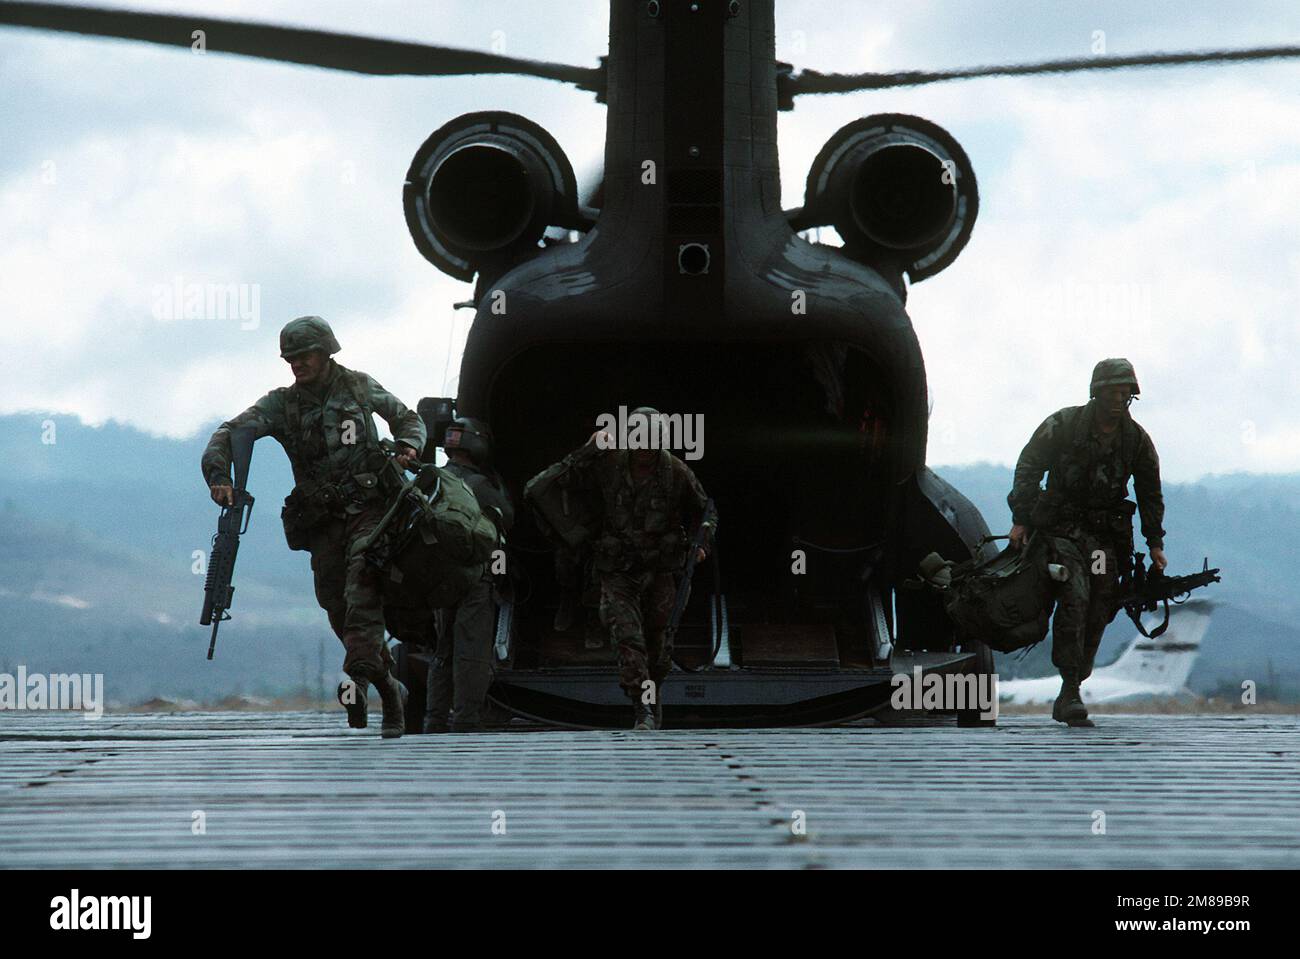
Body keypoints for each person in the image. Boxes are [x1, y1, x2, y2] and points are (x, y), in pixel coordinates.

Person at [201, 316, 425, 738]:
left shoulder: (359, 386)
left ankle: (356, 680)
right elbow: (232, 432)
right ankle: (389, 688)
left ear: (326, 352)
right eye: (290, 359)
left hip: (371, 509)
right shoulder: (282, 404)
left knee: (363, 582)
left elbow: (406, 418)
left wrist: (409, 447)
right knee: (336, 606)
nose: (297, 365)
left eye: (304, 356)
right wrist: (220, 477)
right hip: (322, 520)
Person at [1007, 358, 1166, 728]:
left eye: (1125, 391)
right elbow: (1029, 466)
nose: (1119, 397)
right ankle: (1069, 689)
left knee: (1100, 602)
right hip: (1061, 531)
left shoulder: (1136, 440)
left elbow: (1149, 491)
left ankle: (1074, 684)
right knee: (1075, 595)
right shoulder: (1063, 425)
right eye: (1112, 390)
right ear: (1097, 392)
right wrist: (1021, 518)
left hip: (1102, 541)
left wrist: (1154, 541)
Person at [536, 407, 714, 730]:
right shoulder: (610, 463)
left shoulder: (675, 471)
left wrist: (701, 543)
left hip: (660, 568)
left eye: (652, 443)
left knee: (660, 643)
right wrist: (588, 449)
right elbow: (559, 481)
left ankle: (652, 693)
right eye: (640, 442)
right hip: (618, 570)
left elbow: (705, 509)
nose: (645, 450)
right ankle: (642, 709)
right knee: (628, 637)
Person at [423, 417, 514, 732]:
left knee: (442, 651)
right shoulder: (480, 485)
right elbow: (507, 520)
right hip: (475, 577)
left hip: (438, 578)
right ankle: (466, 720)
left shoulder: (431, 479)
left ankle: (433, 719)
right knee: (471, 651)